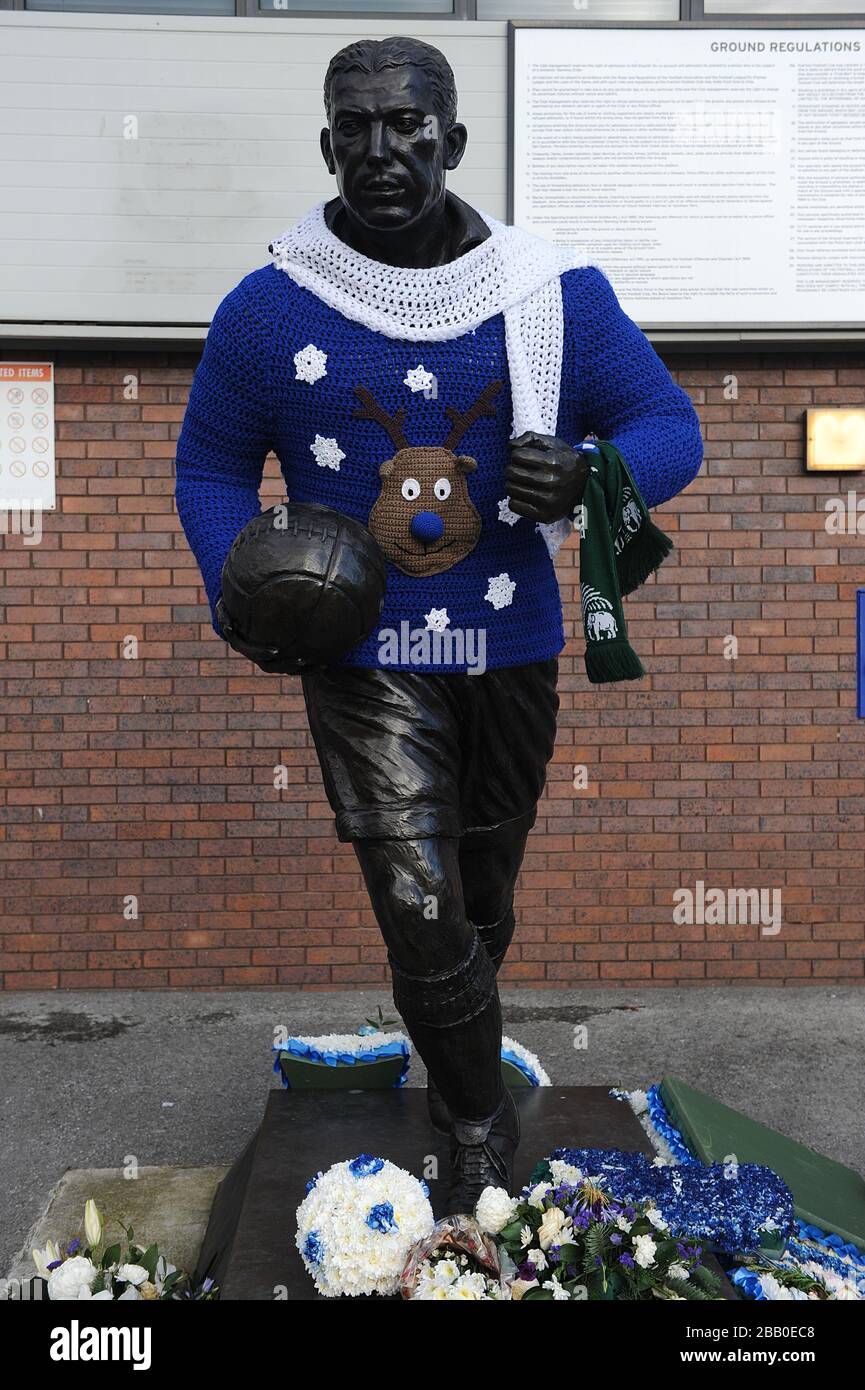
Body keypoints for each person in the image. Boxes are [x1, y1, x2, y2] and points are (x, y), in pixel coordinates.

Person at [175, 36, 703, 1214]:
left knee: (474, 903)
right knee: (417, 901)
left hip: (506, 652)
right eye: (353, 126)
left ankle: (451, 1036)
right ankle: (473, 1128)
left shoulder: (549, 291)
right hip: (363, 655)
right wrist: (239, 584)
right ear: (326, 144)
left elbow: (671, 425)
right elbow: (210, 467)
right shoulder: (270, 309)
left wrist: (590, 471)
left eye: (406, 125)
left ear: (451, 142)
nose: (380, 149)